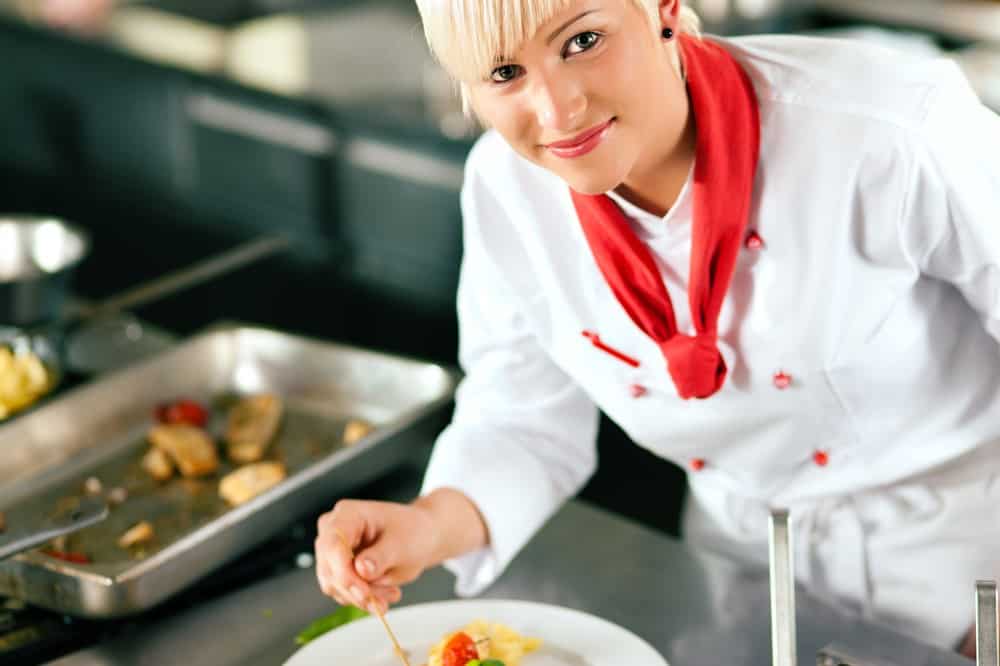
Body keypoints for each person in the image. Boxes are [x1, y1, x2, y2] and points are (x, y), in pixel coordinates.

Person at [314, 0, 1000, 657]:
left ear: (665, 8)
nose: (556, 110)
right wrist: (426, 525)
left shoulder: (888, 125)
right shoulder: (508, 190)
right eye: (503, 73)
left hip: (965, 570)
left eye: (582, 41)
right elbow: (519, 421)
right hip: (739, 576)